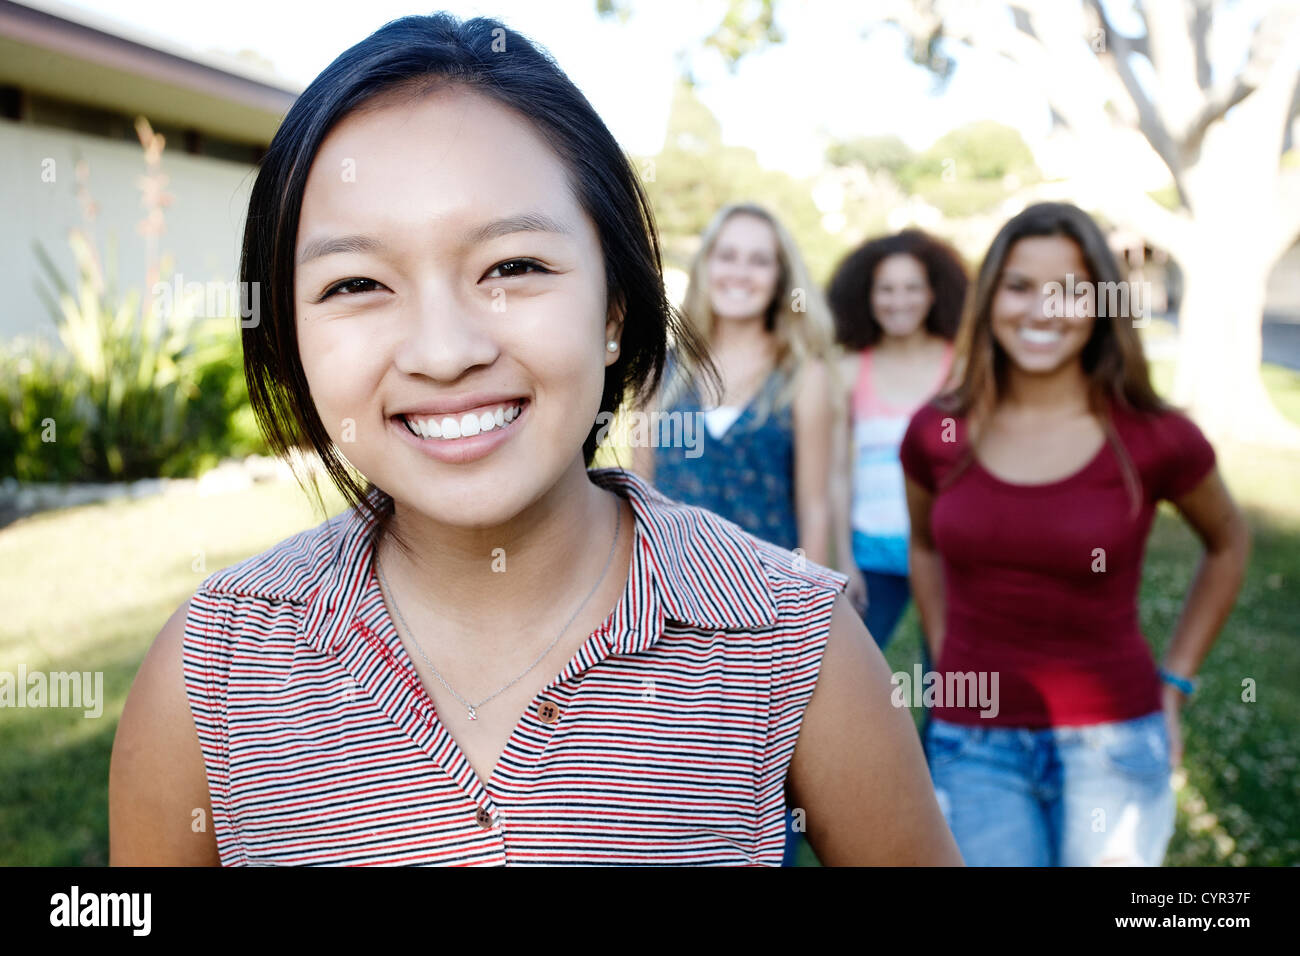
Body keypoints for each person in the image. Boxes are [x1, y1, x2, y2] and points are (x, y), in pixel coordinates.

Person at [108, 12, 961, 867]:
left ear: (615, 310)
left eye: (514, 267)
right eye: (358, 282)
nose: (444, 352)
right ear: (288, 333)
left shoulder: (795, 640)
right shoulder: (208, 675)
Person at [900, 202, 1250, 866]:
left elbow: (1229, 542)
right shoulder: (936, 432)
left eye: (1069, 289)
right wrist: (948, 659)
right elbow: (922, 545)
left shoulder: (1154, 437)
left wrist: (1176, 682)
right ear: (990, 296)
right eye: (1020, 286)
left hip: (1114, 740)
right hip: (972, 743)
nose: (1042, 310)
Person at [632, 202, 866, 865]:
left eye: (758, 259)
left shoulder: (805, 376)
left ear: (779, 276)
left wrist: (809, 627)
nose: (741, 271)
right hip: (669, 615)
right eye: (728, 255)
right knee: (666, 799)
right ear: (707, 266)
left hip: (765, 613)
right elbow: (636, 496)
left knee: (764, 799)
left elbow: (815, 505)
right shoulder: (663, 370)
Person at [827, 229, 967, 653]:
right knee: (847, 666)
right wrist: (844, 560)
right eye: (885, 289)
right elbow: (836, 473)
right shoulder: (848, 370)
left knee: (949, 678)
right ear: (866, 296)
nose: (898, 300)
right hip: (871, 555)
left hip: (949, 556)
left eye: (912, 288)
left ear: (933, 294)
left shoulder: (961, 366)